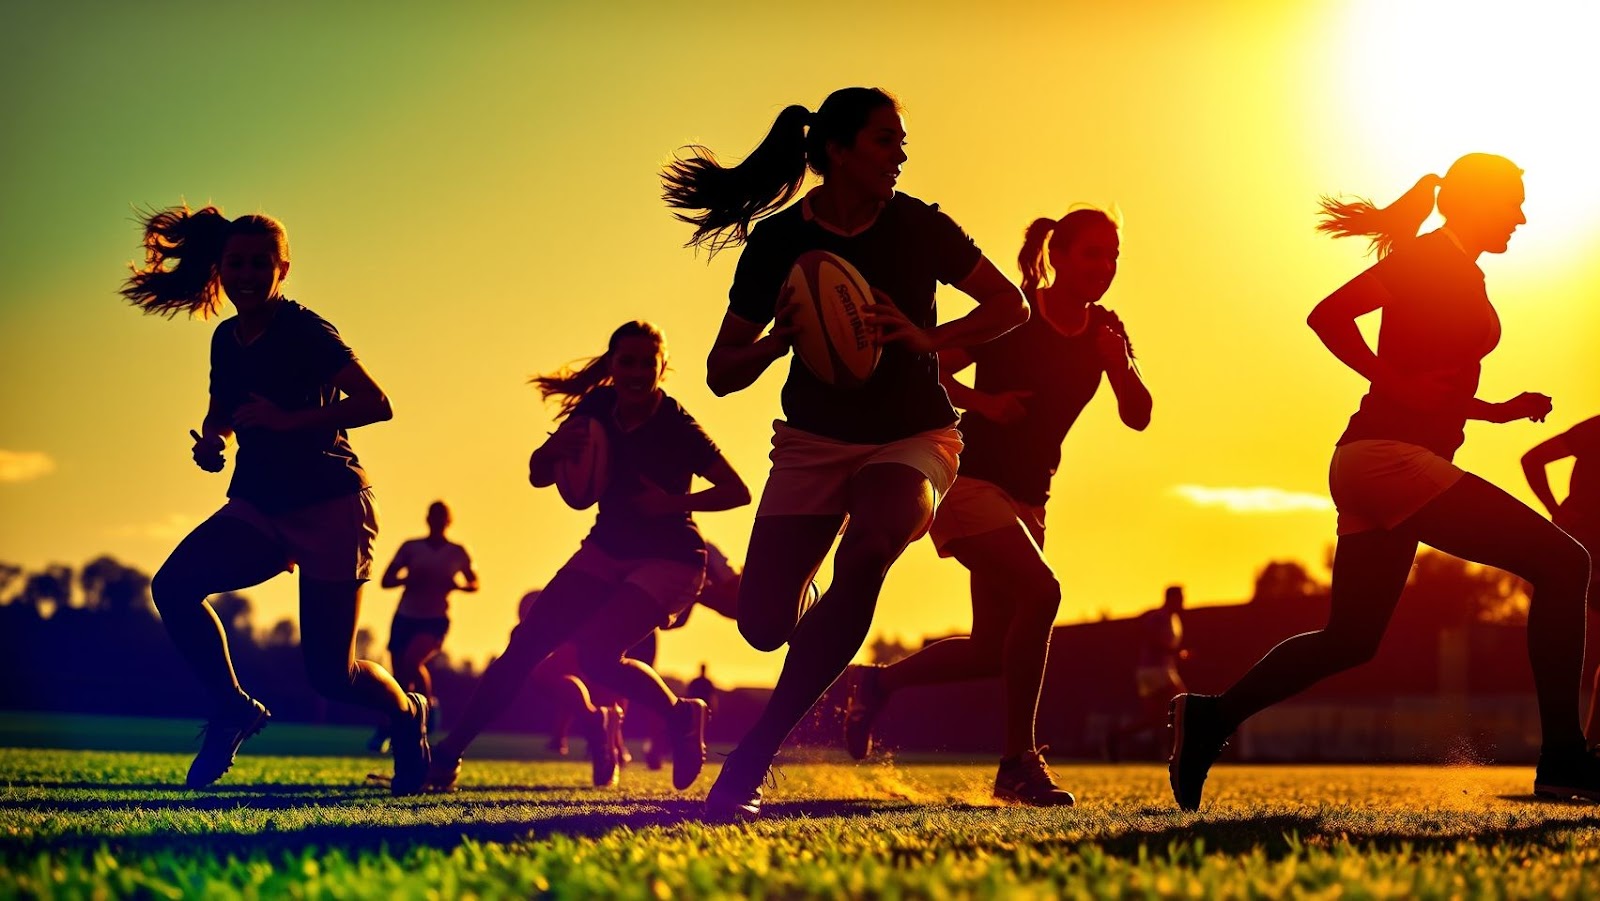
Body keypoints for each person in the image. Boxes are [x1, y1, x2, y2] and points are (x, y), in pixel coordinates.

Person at [1168, 155, 1597, 810]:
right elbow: (1329, 315)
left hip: (1375, 461)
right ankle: (1566, 757)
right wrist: (1391, 383)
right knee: (1565, 563)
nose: (1522, 215)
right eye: (1512, 201)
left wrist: (1497, 410)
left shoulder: (1456, 268)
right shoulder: (1429, 259)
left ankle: (1209, 717)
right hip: (1391, 459)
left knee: (1350, 638)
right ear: (1476, 203)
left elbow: (1432, 383)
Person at [662, 86, 1029, 817]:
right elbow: (720, 369)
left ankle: (754, 756)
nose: (900, 152)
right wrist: (778, 340)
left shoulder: (920, 225)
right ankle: (818, 624)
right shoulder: (778, 242)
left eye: (902, 140)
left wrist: (930, 339)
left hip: (915, 436)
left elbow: (1009, 305)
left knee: (867, 550)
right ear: (836, 150)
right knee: (764, 625)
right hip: (812, 443)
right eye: (885, 139)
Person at [842, 207, 1151, 804]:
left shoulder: (1107, 329)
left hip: (1030, 500)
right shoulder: (1019, 315)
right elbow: (930, 368)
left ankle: (878, 684)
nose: (1104, 267)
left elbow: (1138, 415)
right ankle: (1017, 764)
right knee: (1043, 593)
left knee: (991, 649)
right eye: (1091, 253)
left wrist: (1121, 365)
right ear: (1057, 256)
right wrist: (983, 404)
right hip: (970, 482)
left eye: (1113, 256)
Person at [119, 204, 430, 794]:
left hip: (333, 505)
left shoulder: (306, 330)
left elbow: (376, 403)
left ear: (282, 269)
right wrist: (213, 440)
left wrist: (290, 421)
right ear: (220, 268)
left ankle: (409, 711)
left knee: (331, 676)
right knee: (173, 587)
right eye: (236, 262)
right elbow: (223, 412)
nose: (247, 273)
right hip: (260, 504)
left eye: (261, 263)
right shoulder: (226, 339)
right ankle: (234, 707)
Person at [423, 321, 748, 793]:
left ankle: (681, 714)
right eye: (627, 361)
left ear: (662, 369)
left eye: (647, 364)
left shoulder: (677, 426)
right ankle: (448, 754)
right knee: (524, 648)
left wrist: (672, 503)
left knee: (598, 656)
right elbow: (539, 474)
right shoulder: (597, 409)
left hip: (672, 557)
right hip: (607, 548)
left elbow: (737, 491)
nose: (636, 372)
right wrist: (552, 449)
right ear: (612, 365)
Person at [366, 500, 479, 752]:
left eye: (442, 517)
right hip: (406, 615)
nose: (437, 521)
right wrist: (409, 579)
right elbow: (386, 579)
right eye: (433, 516)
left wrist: (456, 586)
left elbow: (474, 583)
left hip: (435, 618)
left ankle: (427, 712)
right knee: (399, 679)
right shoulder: (411, 547)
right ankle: (393, 727)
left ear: (448, 522)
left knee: (412, 662)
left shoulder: (457, 552)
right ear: (427, 519)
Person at [1522, 415, 1600, 745]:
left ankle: (1583, 749)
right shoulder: (1595, 429)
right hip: (1584, 549)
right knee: (1569, 649)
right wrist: (1555, 510)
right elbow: (1532, 459)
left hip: (1582, 547)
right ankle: (1572, 750)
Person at [1107, 585, 1187, 760]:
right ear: (1170, 598)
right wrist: (1172, 652)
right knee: (1183, 704)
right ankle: (1174, 752)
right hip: (1155, 670)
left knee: (1153, 718)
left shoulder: (1173, 619)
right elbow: (1150, 637)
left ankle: (1116, 736)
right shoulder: (1159, 617)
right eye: (1180, 598)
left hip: (1157, 670)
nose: (1183, 602)